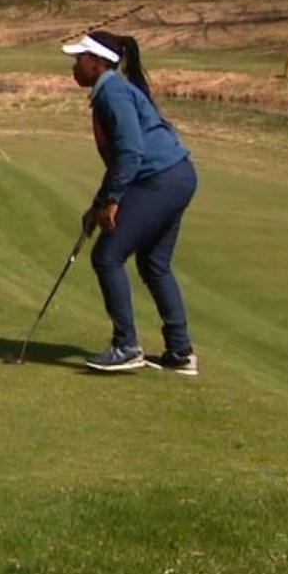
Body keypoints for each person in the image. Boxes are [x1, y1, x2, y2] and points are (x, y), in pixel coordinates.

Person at [62, 30, 200, 375]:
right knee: (154, 263)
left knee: (107, 256)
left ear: (97, 63)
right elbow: (125, 158)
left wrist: (110, 201)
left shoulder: (114, 92)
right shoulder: (111, 90)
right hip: (176, 176)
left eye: (79, 60)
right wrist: (99, 203)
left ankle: (126, 346)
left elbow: (130, 151)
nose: (74, 67)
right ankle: (180, 352)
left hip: (160, 179)